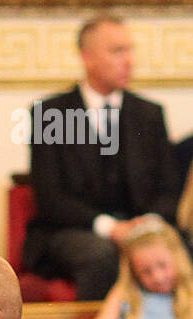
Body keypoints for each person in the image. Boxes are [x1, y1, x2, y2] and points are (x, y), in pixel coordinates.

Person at [23, 13, 180, 301]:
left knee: (177, 247)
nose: (129, 60)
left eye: (131, 50)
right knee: (101, 255)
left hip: (142, 225)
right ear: (87, 57)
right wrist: (110, 228)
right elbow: (51, 199)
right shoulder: (52, 114)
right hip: (74, 231)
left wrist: (149, 224)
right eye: (117, 51)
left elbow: (169, 187)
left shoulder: (149, 113)